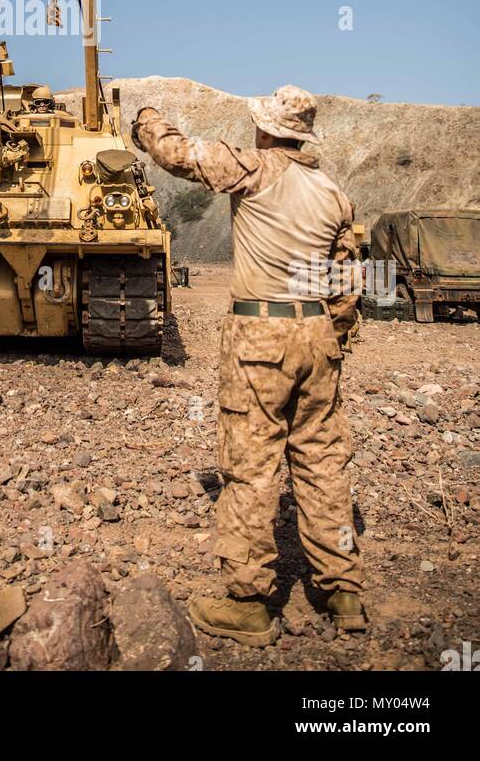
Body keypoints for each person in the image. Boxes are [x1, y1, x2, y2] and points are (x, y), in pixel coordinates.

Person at [132, 84, 365, 646]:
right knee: (322, 461)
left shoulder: (254, 168)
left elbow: (178, 155)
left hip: (260, 335)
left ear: (266, 130)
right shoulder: (333, 193)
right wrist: (325, 333)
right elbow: (347, 285)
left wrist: (144, 121)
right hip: (318, 335)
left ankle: (249, 604)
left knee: (251, 466)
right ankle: (343, 593)